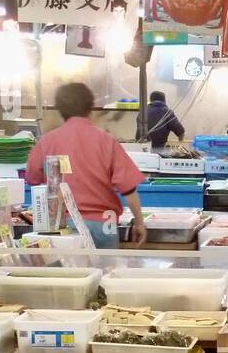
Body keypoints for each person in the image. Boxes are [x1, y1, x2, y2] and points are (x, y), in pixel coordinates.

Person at [25, 82, 146, 249]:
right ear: (90, 108)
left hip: (63, 226)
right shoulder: (106, 140)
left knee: (70, 274)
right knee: (106, 273)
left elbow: (32, 178)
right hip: (104, 225)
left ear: (60, 110)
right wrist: (139, 223)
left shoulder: (47, 141)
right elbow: (128, 188)